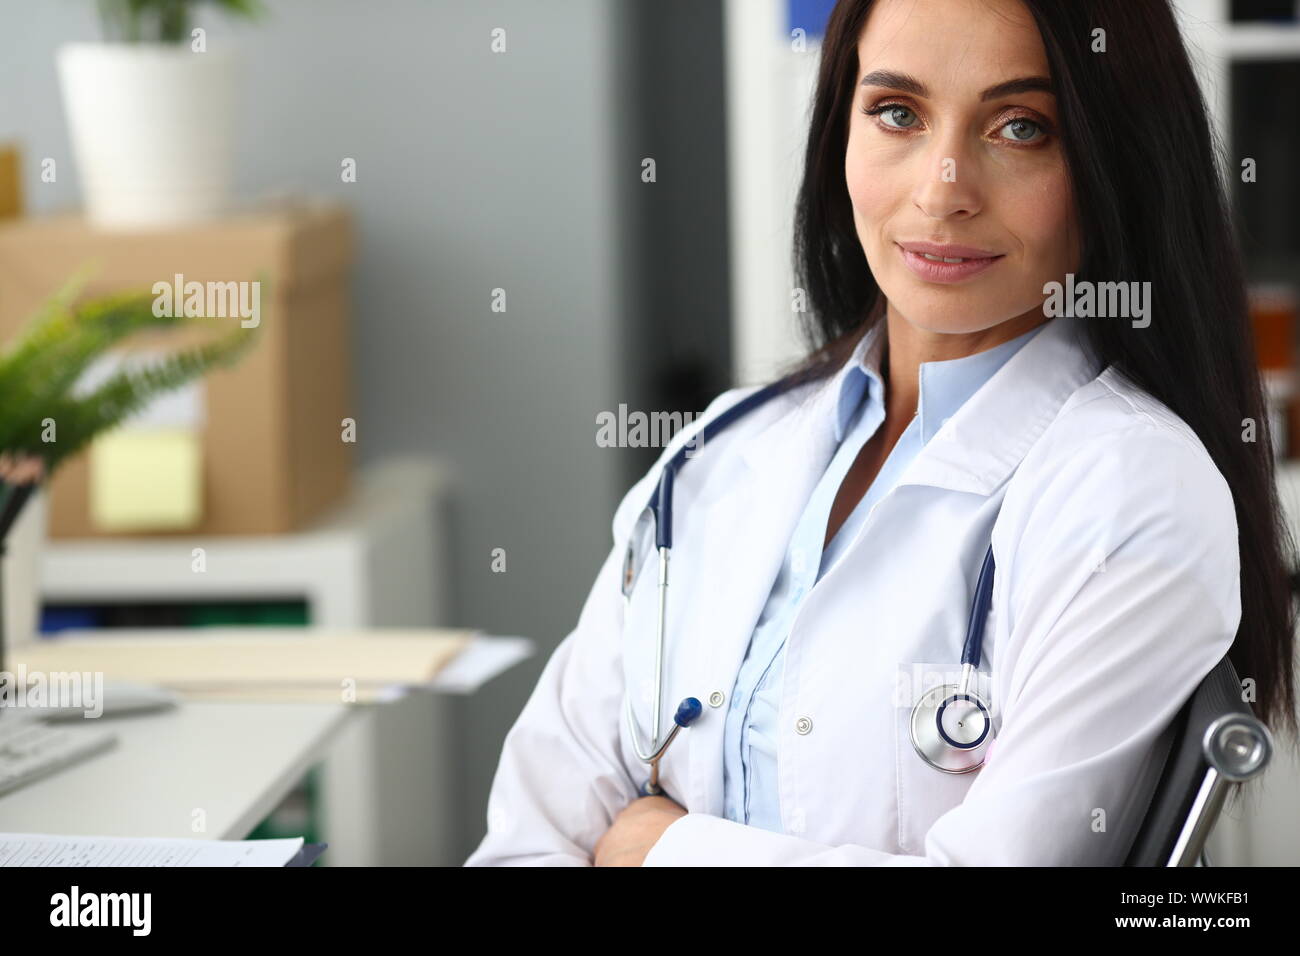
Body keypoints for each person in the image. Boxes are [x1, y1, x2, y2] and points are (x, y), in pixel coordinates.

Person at [465, 0, 1297, 866]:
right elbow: (530, 840)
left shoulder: (1133, 490)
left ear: (1113, 160)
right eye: (897, 113)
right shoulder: (719, 455)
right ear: (840, 134)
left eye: (1021, 127)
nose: (943, 188)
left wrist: (657, 850)